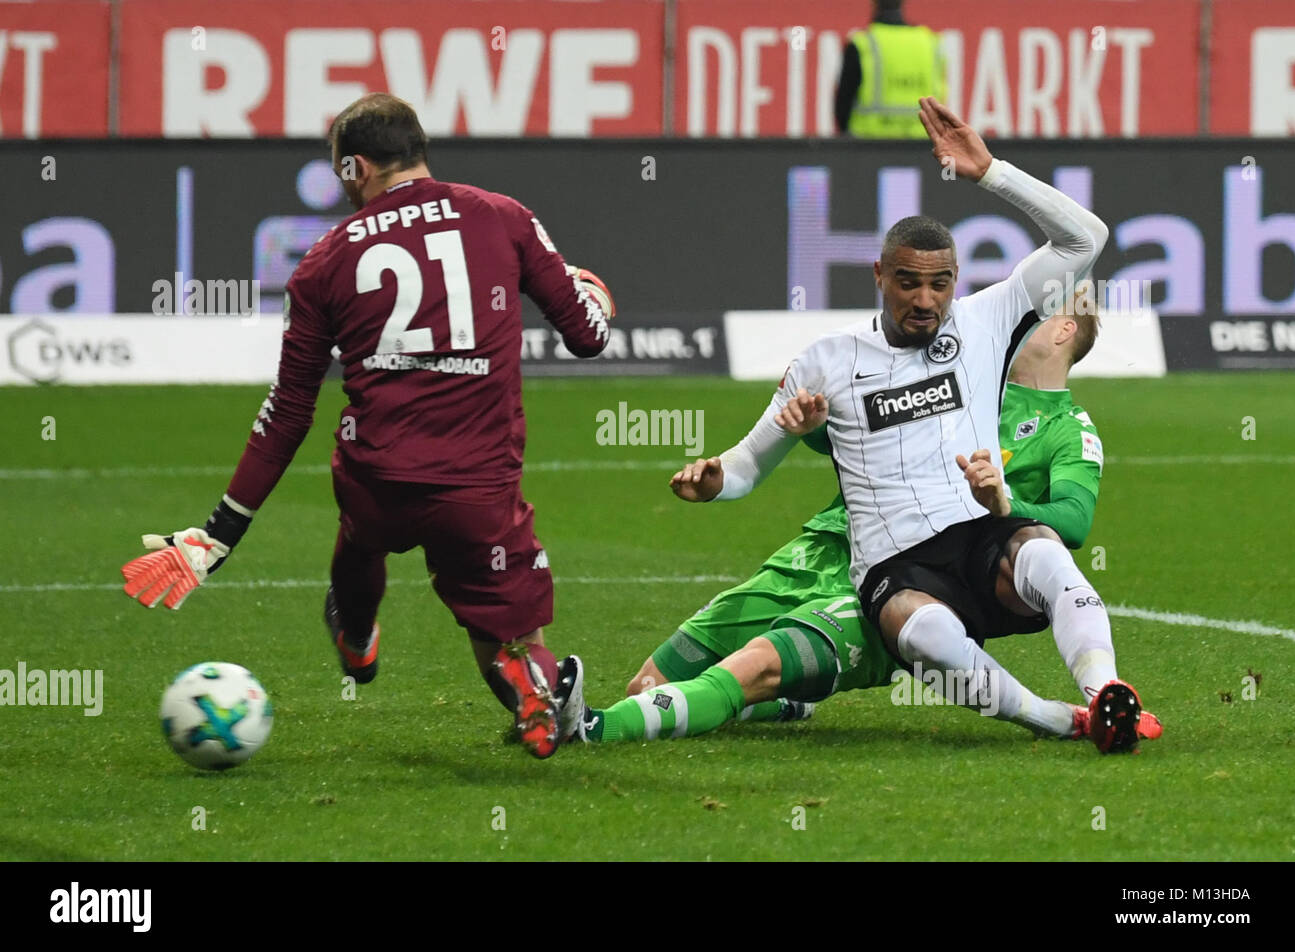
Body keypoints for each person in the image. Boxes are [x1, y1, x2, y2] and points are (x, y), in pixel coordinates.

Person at [569, 98, 1148, 754]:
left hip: (977, 537)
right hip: (890, 565)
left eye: (939, 285)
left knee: (1043, 550)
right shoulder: (828, 360)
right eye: (908, 283)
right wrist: (711, 481)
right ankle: (1053, 718)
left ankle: (1105, 692)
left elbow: (1086, 239)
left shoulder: (988, 320)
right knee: (919, 637)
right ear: (879, 276)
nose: (925, 300)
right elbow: (748, 465)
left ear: (956, 281)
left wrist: (991, 172)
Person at [120, 92, 614, 760]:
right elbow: (586, 336)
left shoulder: (323, 261)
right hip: (478, 489)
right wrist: (596, 297)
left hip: (376, 482)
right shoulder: (502, 217)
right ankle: (531, 687)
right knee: (500, 623)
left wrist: (219, 534)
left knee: (358, 548)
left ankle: (355, 637)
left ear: (356, 167)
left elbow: (287, 412)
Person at [835, 0, 946, 138]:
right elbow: (941, 94)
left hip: (870, 144)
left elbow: (843, 104)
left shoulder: (863, 43)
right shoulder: (930, 42)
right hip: (923, 145)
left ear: (874, 4)